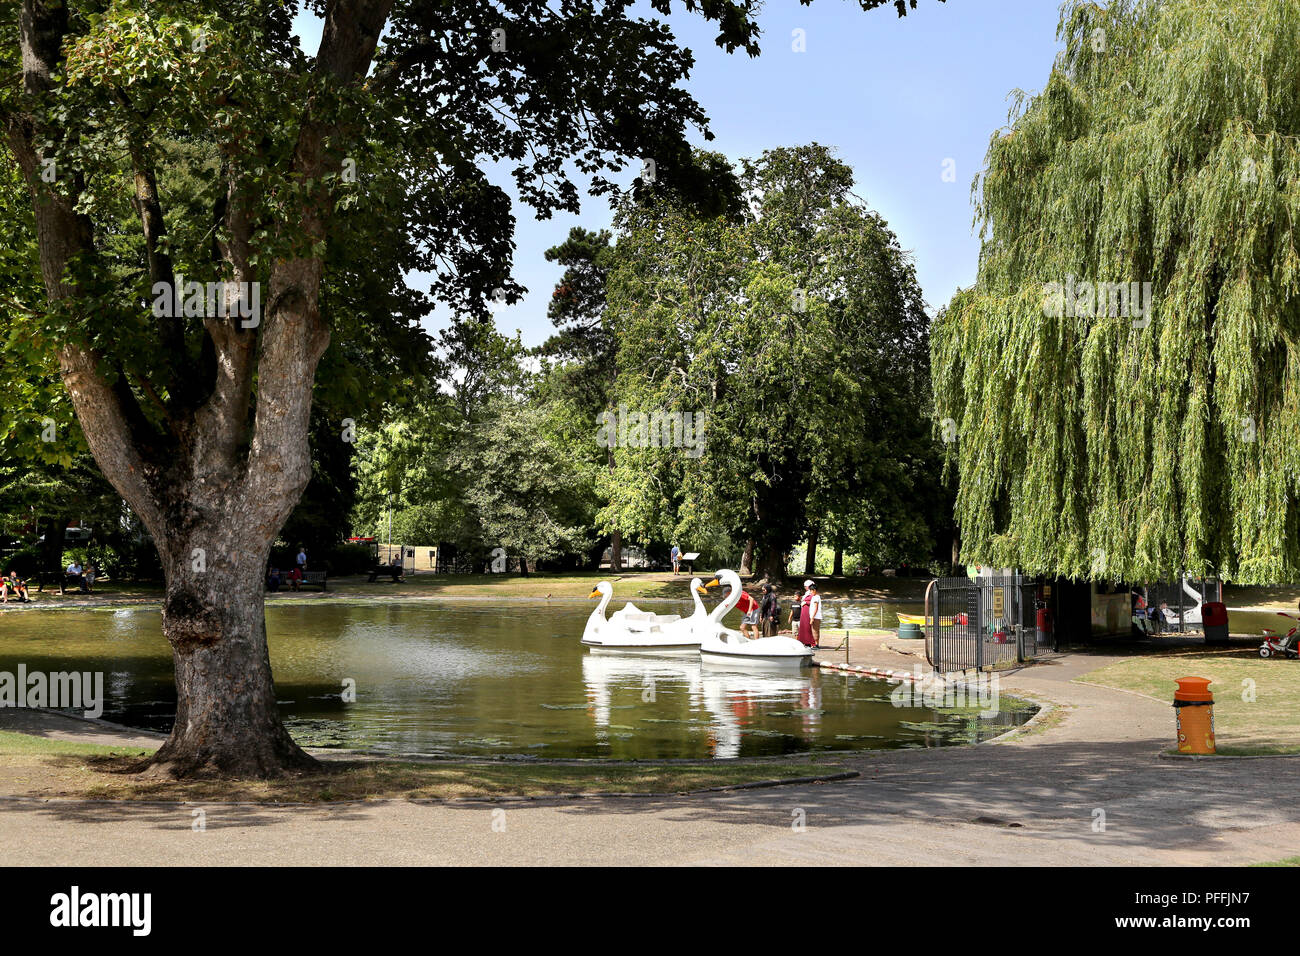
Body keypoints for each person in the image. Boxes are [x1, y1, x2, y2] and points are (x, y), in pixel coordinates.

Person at [805, 581, 823, 648]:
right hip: (813, 616)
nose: (810, 592)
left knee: (815, 631)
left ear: (814, 590)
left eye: (811, 591)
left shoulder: (816, 597)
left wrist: (812, 617)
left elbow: (816, 608)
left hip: (815, 617)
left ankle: (816, 644)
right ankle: (815, 644)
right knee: (813, 630)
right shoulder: (814, 597)